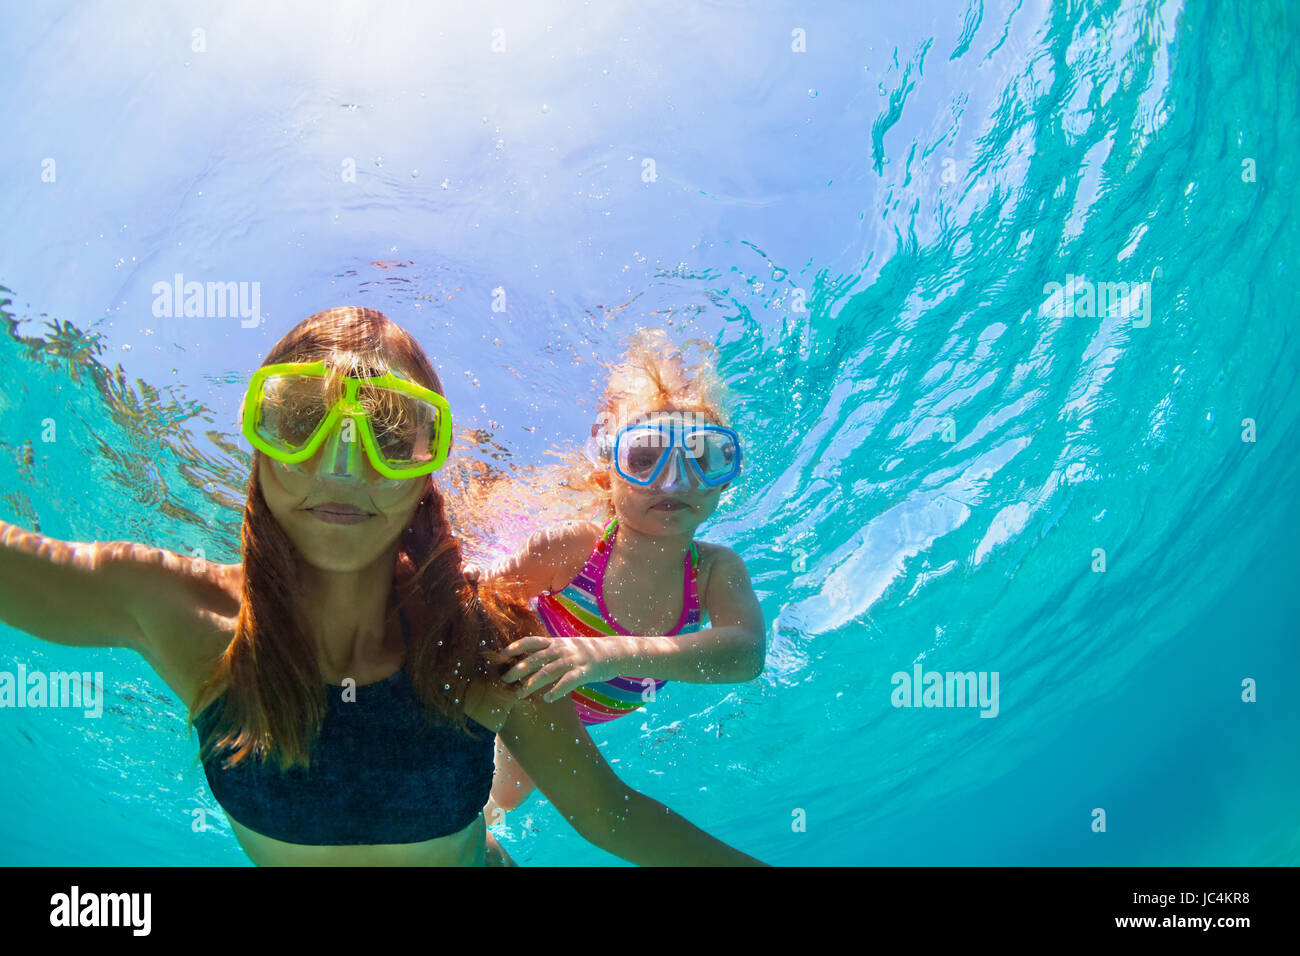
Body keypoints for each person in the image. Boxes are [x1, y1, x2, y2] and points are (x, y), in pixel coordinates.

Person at [0, 307, 764, 866]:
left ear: (427, 470)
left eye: (392, 436)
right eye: (299, 422)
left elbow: (611, 816)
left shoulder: (483, 644)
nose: (342, 466)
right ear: (257, 448)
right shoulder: (179, 611)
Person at [479, 328, 766, 824]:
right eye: (644, 457)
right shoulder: (572, 548)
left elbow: (745, 655)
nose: (673, 480)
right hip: (515, 694)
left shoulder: (716, 571)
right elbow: (469, 603)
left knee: (500, 802)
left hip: (561, 719)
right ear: (607, 470)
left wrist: (608, 654)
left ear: (725, 481)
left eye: (702, 458)